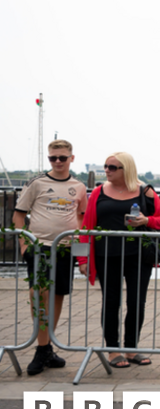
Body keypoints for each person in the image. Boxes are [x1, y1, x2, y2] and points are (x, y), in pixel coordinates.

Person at [78, 152, 160, 368]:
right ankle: (112, 350)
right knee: (111, 303)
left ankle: (131, 348)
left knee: (137, 302)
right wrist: (82, 257)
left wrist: (146, 220)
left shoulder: (144, 191)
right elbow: (86, 227)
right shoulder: (99, 192)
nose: (107, 170)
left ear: (125, 170)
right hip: (106, 255)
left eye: (112, 167)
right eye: (106, 166)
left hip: (139, 256)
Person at [13, 139, 87, 375]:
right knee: (39, 293)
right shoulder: (37, 183)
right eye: (53, 158)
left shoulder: (79, 186)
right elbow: (19, 215)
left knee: (57, 296)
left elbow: (82, 219)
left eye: (62, 158)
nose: (57, 162)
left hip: (64, 248)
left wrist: (80, 252)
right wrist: (24, 244)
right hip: (40, 246)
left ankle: (47, 347)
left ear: (71, 159)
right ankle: (41, 347)